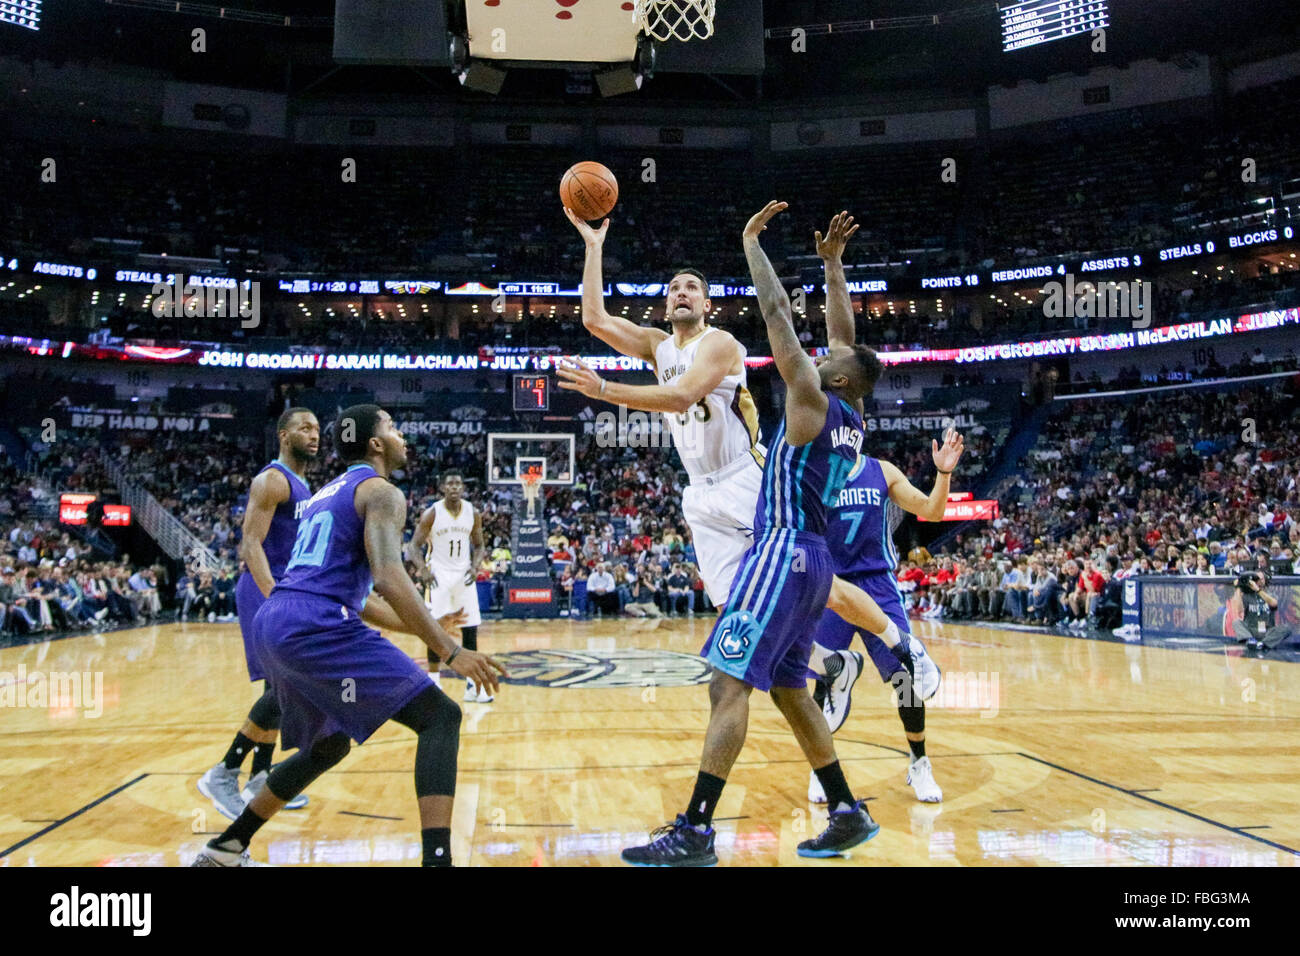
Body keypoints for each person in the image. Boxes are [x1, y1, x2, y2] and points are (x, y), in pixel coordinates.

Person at [621, 201, 909, 866]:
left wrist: (753, 243)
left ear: (836, 376)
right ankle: (846, 810)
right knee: (787, 687)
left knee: (727, 682)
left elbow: (778, 315)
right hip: (809, 560)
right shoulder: (851, 409)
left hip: (780, 551)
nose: (822, 353)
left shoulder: (810, 394)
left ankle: (694, 829)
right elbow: (845, 338)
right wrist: (834, 267)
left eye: (830, 357)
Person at [191, 405, 505, 867]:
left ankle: (224, 849)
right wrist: (450, 650)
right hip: (314, 624)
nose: (401, 436)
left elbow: (359, 597)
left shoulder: (323, 495)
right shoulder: (382, 492)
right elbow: (388, 576)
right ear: (375, 444)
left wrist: (436, 626)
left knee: (330, 744)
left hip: (277, 619)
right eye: (393, 428)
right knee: (440, 717)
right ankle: (438, 861)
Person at [798, 212, 958, 805]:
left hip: (876, 581)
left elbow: (933, 514)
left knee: (907, 679)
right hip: (830, 581)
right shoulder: (818, 435)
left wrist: (942, 474)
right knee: (824, 675)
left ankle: (919, 763)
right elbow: (838, 347)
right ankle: (823, 770)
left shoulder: (876, 463)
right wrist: (832, 266)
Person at [558, 207, 766, 614]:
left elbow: (681, 396)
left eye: (691, 287)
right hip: (699, 488)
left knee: (787, 580)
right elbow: (594, 319)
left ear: (706, 303)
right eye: (674, 288)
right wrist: (593, 247)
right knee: (729, 605)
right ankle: (820, 666)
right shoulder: (658, 346)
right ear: (667, 305)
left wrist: (603, 389)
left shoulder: (719, 342)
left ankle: (845, 653)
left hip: (745, 475)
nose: (682, 292)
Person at [197, 408, 319, 823]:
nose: (314, 434)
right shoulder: (272, 480)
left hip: (286, 591)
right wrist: (277, 598)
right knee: (285, 687)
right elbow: (251, 545)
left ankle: (258, 779)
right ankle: (224, 773)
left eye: (318, 428)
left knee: (279, 691)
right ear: (283, 435)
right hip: (264, 591)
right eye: (305, 427)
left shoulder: (303, 484)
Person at [409, 471, 489, 701]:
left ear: (463, 487)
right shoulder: (432, 513)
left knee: (470, 629)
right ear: (442, 487)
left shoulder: (472, 513)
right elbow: (413, 547)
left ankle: (473, 686)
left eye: (458, 484)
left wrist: (475, 566)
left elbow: (480, 545)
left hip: (464, 575)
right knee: (436, 628)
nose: (454, 487)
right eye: (450, 484)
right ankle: (434, 683)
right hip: (439, 575)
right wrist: (422, 570)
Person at [1232, 571, 1293, 653]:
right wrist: (1238, 588)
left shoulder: (1270, 594)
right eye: (1257, 579)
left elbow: (1273, 603)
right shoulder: (1246, 595)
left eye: (1261, 579)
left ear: (1265, 580)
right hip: (1251, 630)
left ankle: (1263, 644)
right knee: (1236, 622)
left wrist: (1257, 590)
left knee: (1286, 628)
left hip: (1267, 631)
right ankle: (1250, 641)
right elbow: (1239, 610)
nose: (1259, 581)